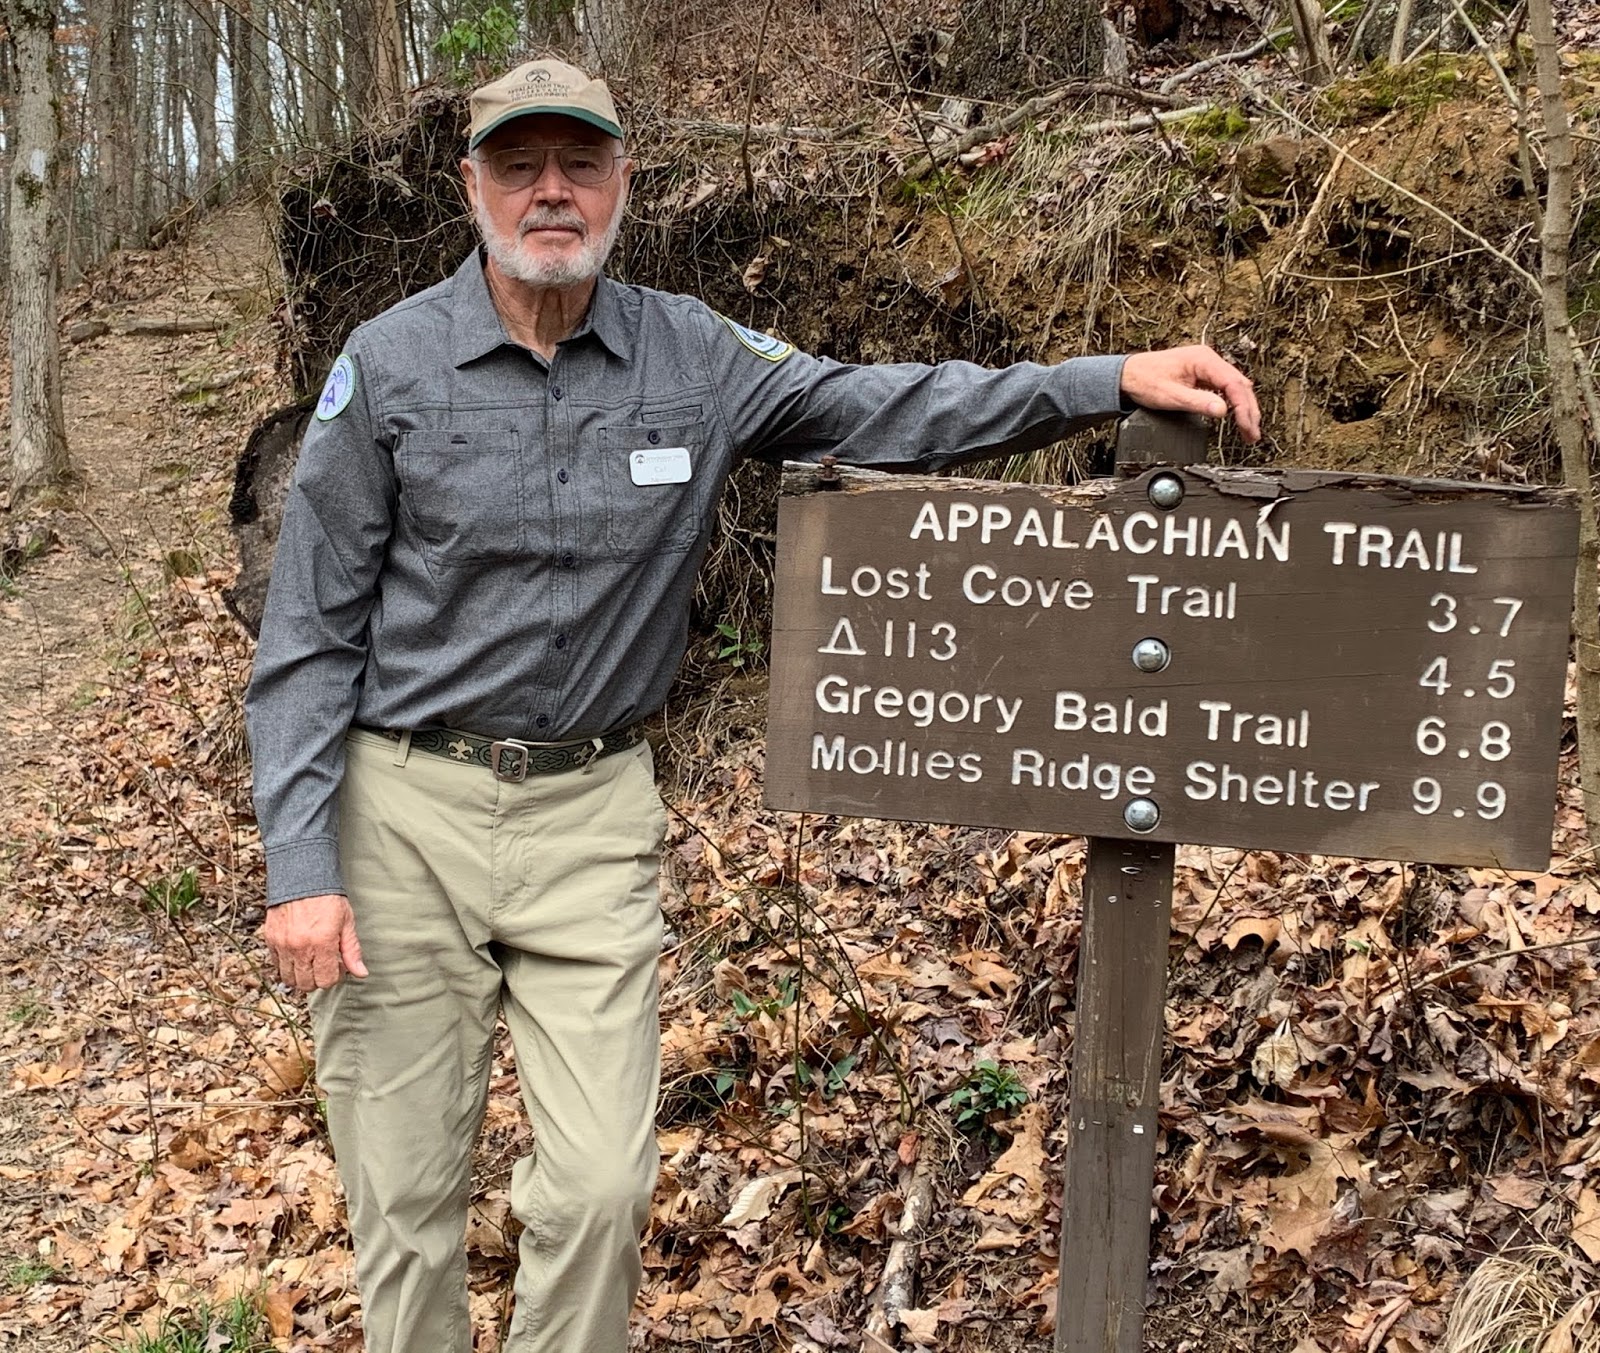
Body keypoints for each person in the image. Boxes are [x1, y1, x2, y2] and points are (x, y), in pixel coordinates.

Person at [245, 56, 1261, 1353]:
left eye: (579, 162)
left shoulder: (696, 355)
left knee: (604, 1188)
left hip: (590, 813)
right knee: (404, 1199)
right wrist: (301, 862)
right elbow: (306, 636)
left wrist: (1103, 376)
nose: (550, 191)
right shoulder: (385, 370)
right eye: (519, 164)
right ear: (472, 186)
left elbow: (891, 403)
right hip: (403, 811)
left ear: (623, 180)